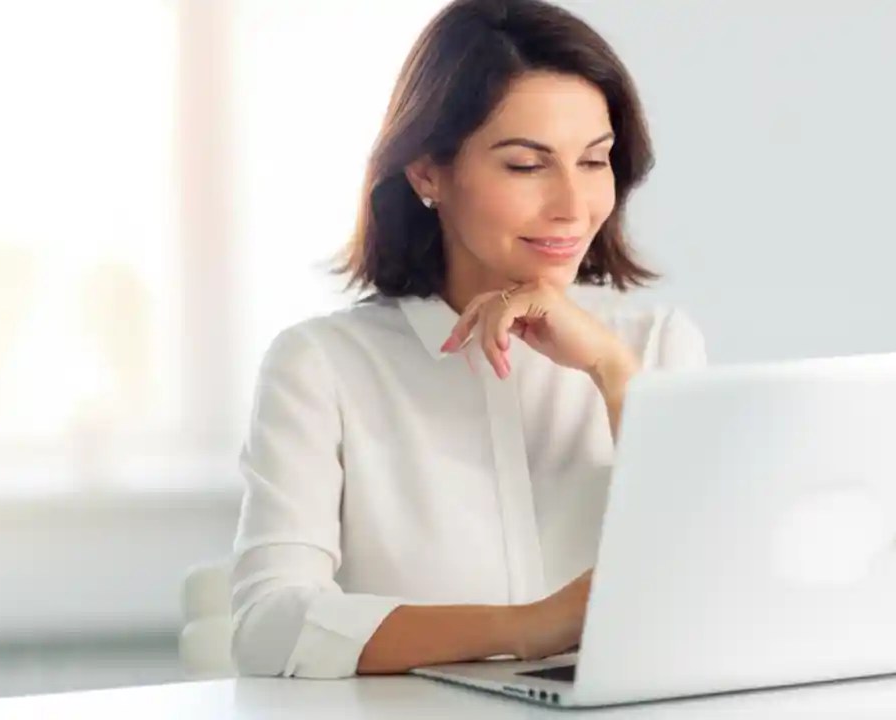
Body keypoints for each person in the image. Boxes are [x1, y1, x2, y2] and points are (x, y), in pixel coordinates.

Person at [231, 0, 706, 680]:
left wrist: (613, 374)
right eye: (525, 165)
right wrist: (530, 627)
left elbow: (709, 590)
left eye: (595, 161)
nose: (574, 205)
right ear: (427, 172)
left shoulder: (653, 347)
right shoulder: (323, 366)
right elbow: (268, 625)